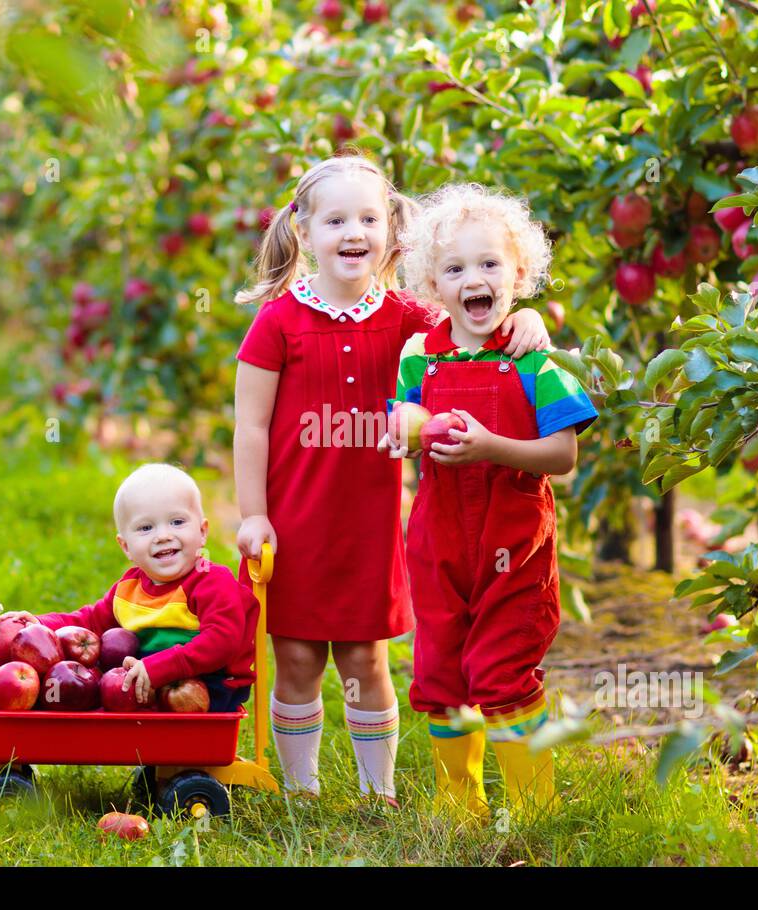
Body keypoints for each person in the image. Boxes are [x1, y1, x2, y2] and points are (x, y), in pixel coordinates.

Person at [233, 152, 552, 803]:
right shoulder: (279, 323)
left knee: (363, 658)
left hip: (373, 526)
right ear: (304, 230)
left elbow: (475, 326)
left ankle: (379, 791)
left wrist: (532, 318)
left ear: (390, 231)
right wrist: (253, 513)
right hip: (294, 520)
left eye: (369, 218)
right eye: (336, 219)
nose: (354, 233)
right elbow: (251, 428)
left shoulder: (409, 318)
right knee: (295, 656)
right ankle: (302, 788)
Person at [380, 183, 598, 819]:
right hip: (439, 541)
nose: (473, 278)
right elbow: (400, 423)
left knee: (503, 671)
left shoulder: (535, 360)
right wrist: (410, 425)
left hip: (514, 544)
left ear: (519, 274)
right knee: (441, 673)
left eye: (489, 264)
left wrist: (491, 447)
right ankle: (461, 802)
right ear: (432, 286)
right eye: (454, 269)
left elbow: (563, 456)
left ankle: (533, 807)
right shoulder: (420, 355)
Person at [0, 464, 256, 713]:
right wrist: (41, 625)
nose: (163, 535)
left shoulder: (211, 580)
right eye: (146, 527)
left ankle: (176, 756)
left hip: (207, 686)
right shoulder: (129, 587)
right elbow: (90, 621)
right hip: (146, 683)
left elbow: (222, 641)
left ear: (202, 532)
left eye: (177, 522)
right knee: (83, 686)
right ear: (126, 546)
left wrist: (159, 668)